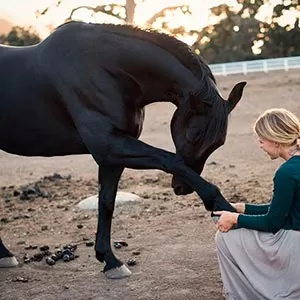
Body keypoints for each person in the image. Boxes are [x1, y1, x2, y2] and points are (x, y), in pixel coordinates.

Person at [213, 108, 300, 300]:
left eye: (261, 140)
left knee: (226, 238)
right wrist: (243, 208)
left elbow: (272, 223)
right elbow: (286, 209)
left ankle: (243, 295)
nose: (259, 145)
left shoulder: (286, 173)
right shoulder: (295, 166)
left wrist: (235, 219)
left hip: (295, 246)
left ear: (275, 140)